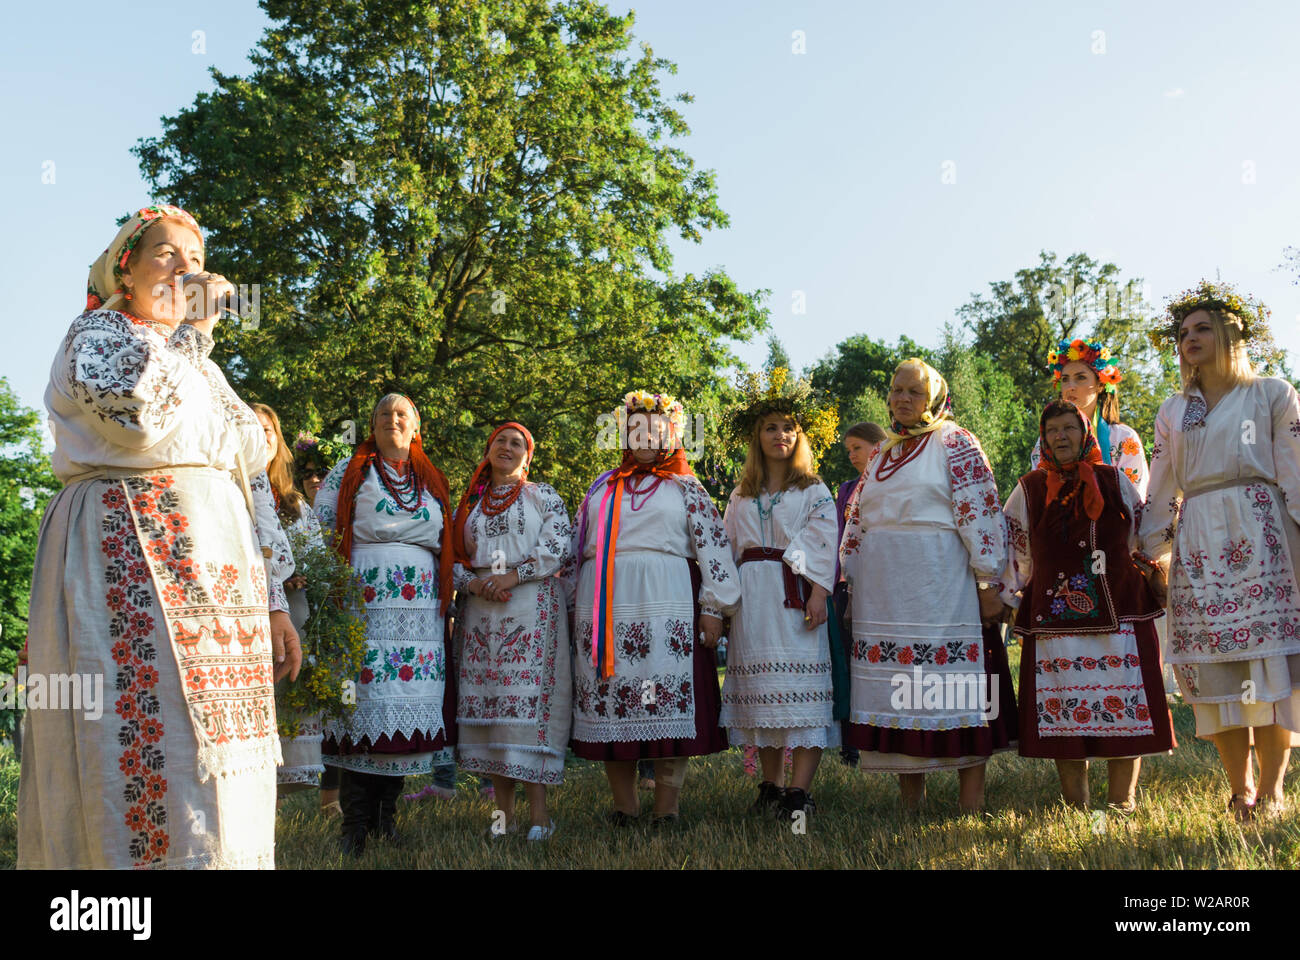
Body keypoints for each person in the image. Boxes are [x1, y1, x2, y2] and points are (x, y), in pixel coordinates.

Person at [19, 204, 299, 869]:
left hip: (218, 589)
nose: (187, 270)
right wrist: (196, 329)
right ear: (127, 270)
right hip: (121, 563)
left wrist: (276, 601)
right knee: (142, 741)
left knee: (224, 764)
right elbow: (138, 420)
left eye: (197, 260)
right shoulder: (99, 333)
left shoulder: (203, 369)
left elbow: (249, 473)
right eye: (167, 255)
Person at [1139, 281, 1300, 821]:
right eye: (1183, 333)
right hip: (1199, 536)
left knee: (1267, 664)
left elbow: (1294, 471)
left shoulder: (1272, 393)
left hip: (1261, 530)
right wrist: (1150, 550)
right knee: (1220, 671)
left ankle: (1273, 790)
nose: (1189, 339)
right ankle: (1241, 789)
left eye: (1202, 328)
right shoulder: (1173, 408)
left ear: (1231, 333)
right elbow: (1162, 484)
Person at [839, 358, 1017, 813]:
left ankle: (971, 799)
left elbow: (980, 510)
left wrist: (987, 581)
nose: (902, 399)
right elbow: (857, 523)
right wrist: (851, 583)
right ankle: (910, 799)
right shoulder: (880, 454)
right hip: (885, 594)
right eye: (896, 390)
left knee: (956, 687)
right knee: (899, 691)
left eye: (913, 392)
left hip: (942, 588)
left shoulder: (955, 442)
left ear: (934, 398)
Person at [569, 391, 741, 825]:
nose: (645, 435)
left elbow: (714, 550)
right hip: (605, 608)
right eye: (635, 427)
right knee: (612, 703)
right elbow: (576, 549)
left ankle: (667, 808)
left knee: (667, 704)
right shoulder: (601, 486)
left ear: (671, 433)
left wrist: (714, 608)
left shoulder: (687, 486)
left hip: (667, 605)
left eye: (655, 427)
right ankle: (624, 807)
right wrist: (571, 603)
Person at [999, 400, 1175, 811]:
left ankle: (1121, 803)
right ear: (1043, 439)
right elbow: (1014, 547)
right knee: (1064, 712)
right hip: (1056, 616)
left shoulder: (1114, 480)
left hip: (1120, 609)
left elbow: (1142, 531)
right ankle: (1075, 805)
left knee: (1125, 711)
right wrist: (1007, 594)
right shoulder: (1029, 489)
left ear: (1085, 434)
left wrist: (1157, 570)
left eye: (1068, 428)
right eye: (1052, 430)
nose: (1060, 436)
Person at [314, 393, 457, 853]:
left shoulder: (430, 479)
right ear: (371, 425)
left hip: (419, 616)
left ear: (416, 426)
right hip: (364, 605)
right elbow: (320, 531)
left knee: (404, 709)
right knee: (363, 703)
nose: (392, 421)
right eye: (382, 415)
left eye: (401, 415)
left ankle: (385, 820)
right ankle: (354, 825)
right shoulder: (350, 473)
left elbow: (447, 540)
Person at [720, 380, 840, 819]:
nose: (780, 435)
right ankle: (769, 786)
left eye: (788, 428)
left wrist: (819, 593)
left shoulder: (813, 490)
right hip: (752, 597)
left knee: (801, 693)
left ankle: (799, 793)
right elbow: (727, 550)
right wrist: (723, 605)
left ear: (799, 437)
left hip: (795, 593)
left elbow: (827, 541)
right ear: (758, 437)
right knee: (763, 696)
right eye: (771, 427)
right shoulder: (741, 494)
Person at [449, 422, 573, 840]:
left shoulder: (543, 496)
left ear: (528, 456)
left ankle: (540, 817)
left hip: (529, 608)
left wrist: (513, 576)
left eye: (516, 443)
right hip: (480, 613)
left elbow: (558, 546)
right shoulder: (468, 505)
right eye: (500, 441)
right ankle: (503, 818)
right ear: (487, 450)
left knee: (525, 715)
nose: (506, 447)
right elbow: (450, 553)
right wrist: (471, 583)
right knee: (493, 715)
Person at [253, 403, 329, 801]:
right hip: (247, 608)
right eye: (252, 426)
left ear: (278, 439)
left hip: (292, 607)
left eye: (268, 428)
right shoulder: (230, 488)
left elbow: (316, 554)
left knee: (288, 684)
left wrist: (301, 573)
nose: (261, 434)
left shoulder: (295, 503)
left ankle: (288, 780)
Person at [834, 422, 886, 767]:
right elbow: (840, 535)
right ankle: (850, 742)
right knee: (847, 664)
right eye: (848, 449)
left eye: (857, 447)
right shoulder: (846, 489)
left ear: (877, 446)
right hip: (845, 584)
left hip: (881, 584)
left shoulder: (888, 485)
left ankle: (882, 734)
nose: (852, 455)